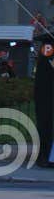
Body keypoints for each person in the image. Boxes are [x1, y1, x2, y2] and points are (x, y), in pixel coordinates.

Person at [34, 32, 54, 169]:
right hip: (47, 95)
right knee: (47, 126)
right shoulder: (48, 49)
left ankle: (45, 157)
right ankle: (45, 158)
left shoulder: (46, 51)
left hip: (45, 94)